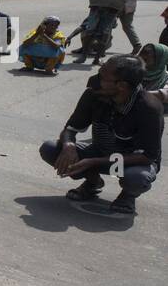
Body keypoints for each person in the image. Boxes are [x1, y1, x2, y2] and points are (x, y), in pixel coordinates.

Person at [39, 55, 161, 216]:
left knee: (137, 178)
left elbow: (148, 156)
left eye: (102, 77)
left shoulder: (148, 108)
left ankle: (127, 196)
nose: (94, 80)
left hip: (128, 163)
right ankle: (93, 182)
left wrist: (93, 161)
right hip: (99, 152)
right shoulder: (94, 94)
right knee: (51, 149)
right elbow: (71, 128)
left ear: (122, 86)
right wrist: (69, 145)